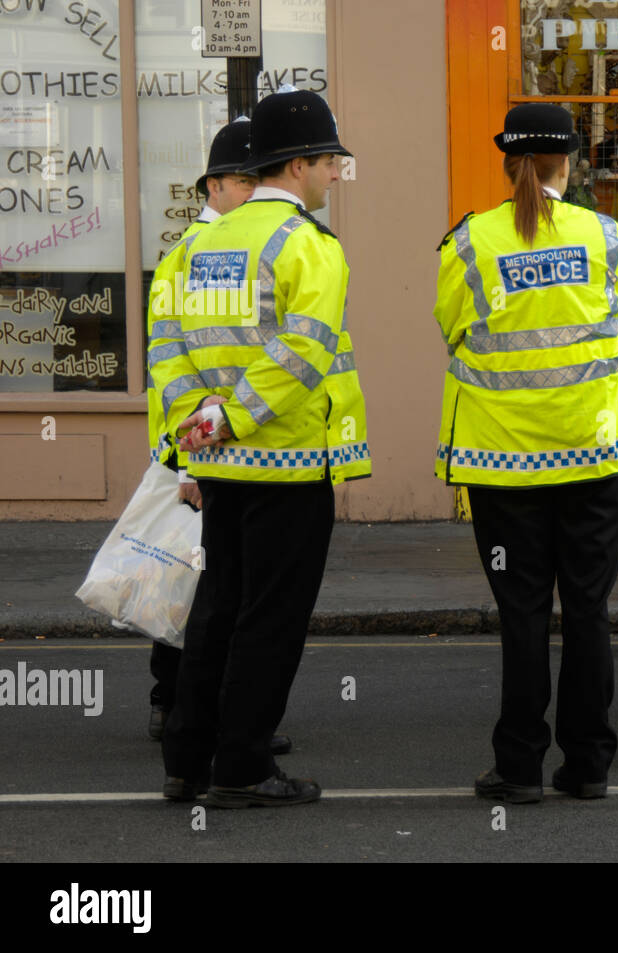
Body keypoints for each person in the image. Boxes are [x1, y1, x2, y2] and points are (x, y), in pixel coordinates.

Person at [435, 104, 618, 802]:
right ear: (570, 162)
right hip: (594, 457)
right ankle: (589, 763)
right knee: (588, 610)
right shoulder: (608, 236)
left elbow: (454, 330)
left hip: (503, 464)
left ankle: (517, 765)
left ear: (508, 162)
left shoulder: (469, 242)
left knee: (523, 615)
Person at [154, 85, 370, 807]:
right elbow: (301, 358)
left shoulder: (196, 245)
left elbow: (167, 348)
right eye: (331, 162)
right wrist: (235, 417)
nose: (337, 174)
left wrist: (198, 422)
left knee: (218, 605)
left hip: (216, 465)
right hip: (285, 464)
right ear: (300, 164)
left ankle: (188, 758)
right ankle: (242, 767)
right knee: (268, 619)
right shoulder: (311, 247)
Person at [142, 118, 285, 758]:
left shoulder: (224, 247)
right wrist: (185, 462)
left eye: (262, 181)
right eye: (246, 182)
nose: (256, 193)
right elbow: (168, 360)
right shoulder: (192, 254)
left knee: (211, 590)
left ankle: (198, 718)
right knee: (206, 593)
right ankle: (181, 711)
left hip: (213, 445)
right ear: (217, 185)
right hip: (208, 452)